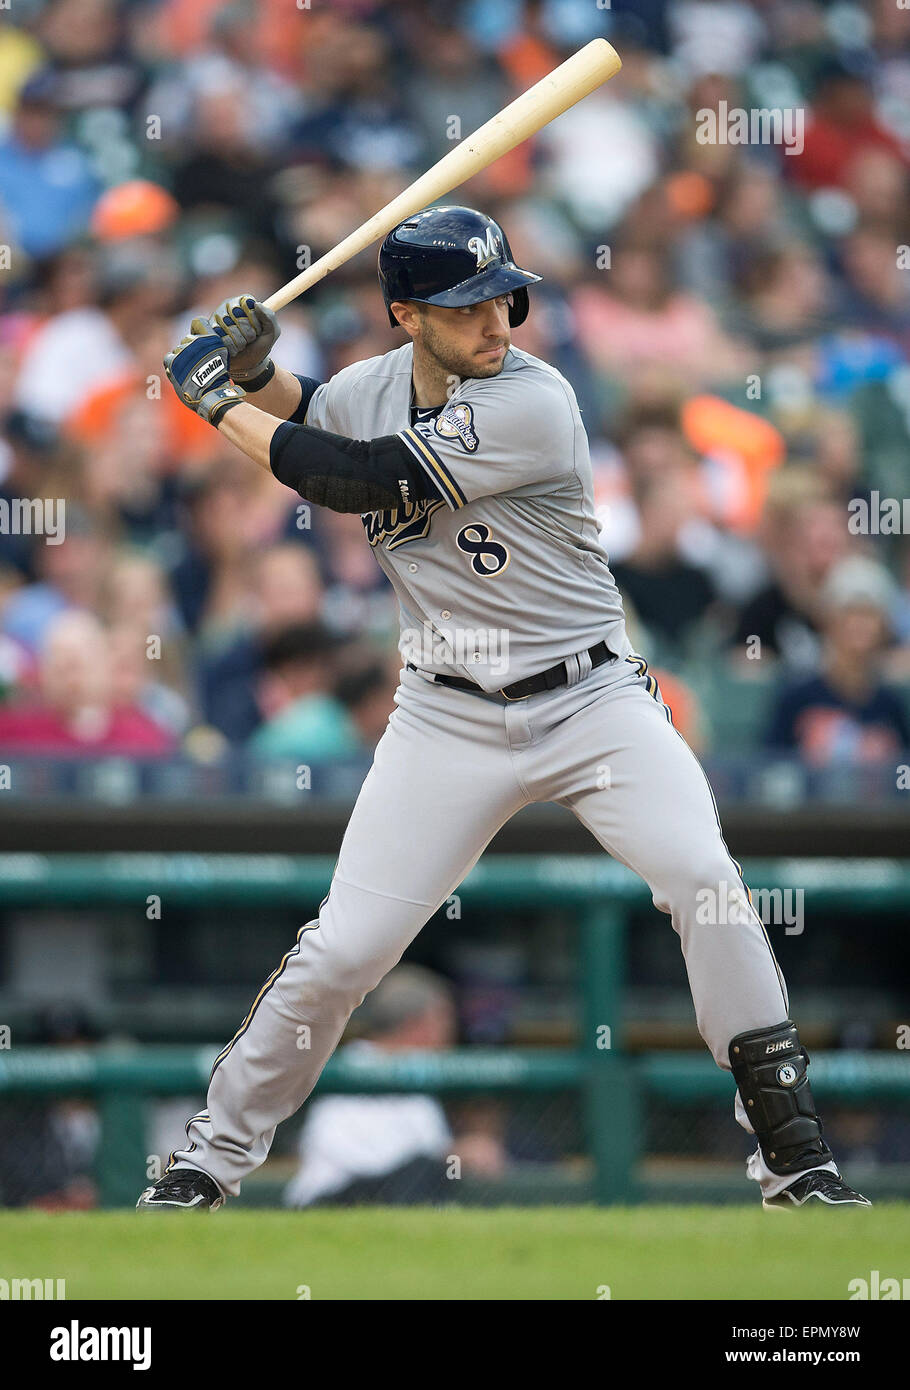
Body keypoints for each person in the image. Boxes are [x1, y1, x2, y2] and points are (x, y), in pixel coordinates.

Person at [138, 205, 869, 1213]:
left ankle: (794, 1165)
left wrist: (219, 405)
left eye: (502, 297)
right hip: (446, 715)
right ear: (405, 316)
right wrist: (260, 375)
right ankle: (203, 1167)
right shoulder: (374, 385)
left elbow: (359, 477)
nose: (496, 321)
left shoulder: (534, 399)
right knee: (343, 949)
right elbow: (318, 412)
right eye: (466, 305)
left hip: (590, 698)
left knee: (704, 879)